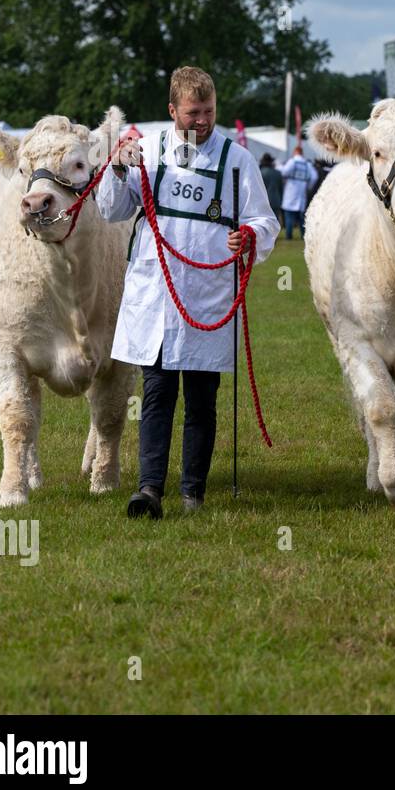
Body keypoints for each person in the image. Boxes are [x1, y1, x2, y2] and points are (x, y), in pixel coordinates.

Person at [96, 66, 279, 518]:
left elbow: (264, 219)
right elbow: (111, 208)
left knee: (202, 397)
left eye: (209, 111)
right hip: (158, 295)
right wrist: (117, 166)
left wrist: (249, 237)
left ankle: (192, 490)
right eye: (193, 112)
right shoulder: (148, 153)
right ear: (172, 109)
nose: (202, 120)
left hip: (208, 296)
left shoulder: (238, 161)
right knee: (157, 393)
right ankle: (149, 489)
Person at [279, 147, 318, 239]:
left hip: (290, 192)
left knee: (289, 216)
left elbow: (284, 172)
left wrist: (280, 167)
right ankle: (303, 235)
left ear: (295, 152)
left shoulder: (292, 162)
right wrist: (308, 187)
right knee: (301, 217)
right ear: (302, 153)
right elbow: (314, 177)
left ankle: (289, 236)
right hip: (301, 193)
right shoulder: (307, 164)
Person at [259, 152, 284, 220]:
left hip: (263, 202)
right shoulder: (278, 173)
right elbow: (281, 189)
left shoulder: (260, 173)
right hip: (276, 201)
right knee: (274, 223)